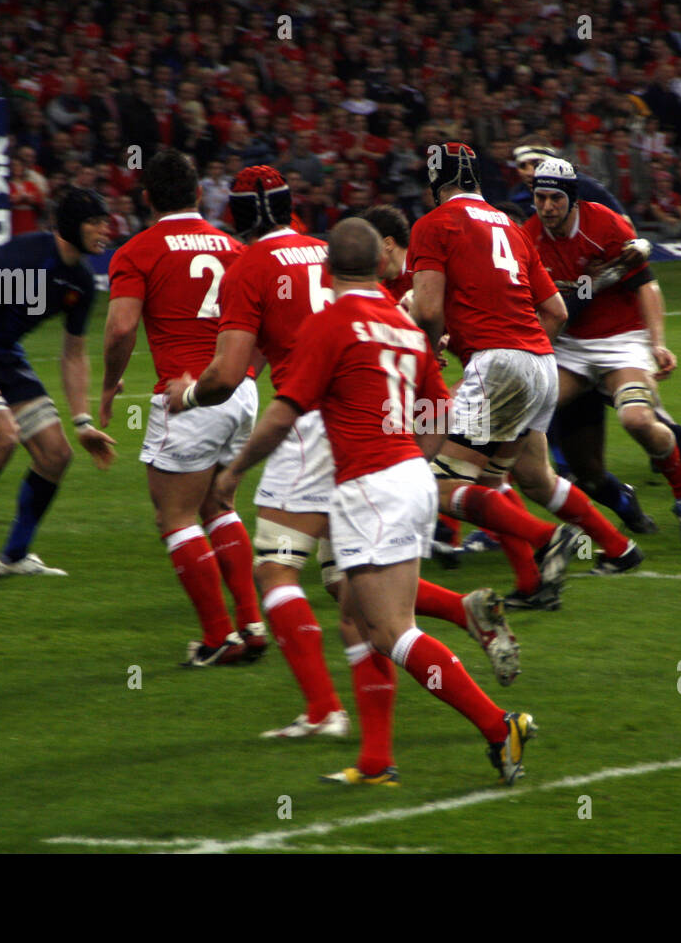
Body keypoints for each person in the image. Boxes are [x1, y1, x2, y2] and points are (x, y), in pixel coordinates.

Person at [167, 166, 517, 739]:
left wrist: (187, 398)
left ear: (237, 216)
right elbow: (428, 392)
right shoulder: (333, 257)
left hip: (311, 422)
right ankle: (448, 635)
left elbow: (232, 375)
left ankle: (324, 711)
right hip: (382, 438)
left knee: (278, 568)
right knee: (350, 590)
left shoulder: (251, 265)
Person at [214, 218, 535, 786]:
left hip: (371, 485)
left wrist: (236, 468)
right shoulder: (403, 324)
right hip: (408, 476)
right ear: (378, 266)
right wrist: (414, 458)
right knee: (356, 620)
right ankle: (375, 761)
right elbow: (438, 410)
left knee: (392, 631)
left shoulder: (329, 324)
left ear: (326, 268)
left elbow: (286, 411)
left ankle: (497, 724)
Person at [409, 143, 643, 612]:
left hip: (500, 364)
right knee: (525, 477)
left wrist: (431, 349)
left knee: (433, 485)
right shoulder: (511, 227)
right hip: (540, 363)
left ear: (437, 184)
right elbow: (554, 310)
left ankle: (546, 538)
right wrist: (520, 348)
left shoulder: (432, 226)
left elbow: (429, 309)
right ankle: (612, 550)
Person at [100, 148, 267, 666]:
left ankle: (219, 638)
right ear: (199, 193)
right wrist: (246, 374)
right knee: (218, 505)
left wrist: (109, 385)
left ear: (147, 199)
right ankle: (253, 623)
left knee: (174, 515)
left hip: (189, 394)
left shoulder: (137, 251)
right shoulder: (235, 248)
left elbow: (123, 326)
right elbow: (264, 324)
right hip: (239, 392)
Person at [522, 157, 681, 548]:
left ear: (571, 199)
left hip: (621, 341)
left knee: (638, 420)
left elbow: (646, 284)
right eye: (540, 198)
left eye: (554, 199)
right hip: (569, 348)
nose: (547, 207)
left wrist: (657, 342)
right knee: (522, 415)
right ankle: (508, 517)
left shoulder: (605, 223)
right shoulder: (530, 236)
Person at [0, 188, 117, 580]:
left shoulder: (81, 282)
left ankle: (14, 555)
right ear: (71, 226)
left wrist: (83, 422)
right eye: (96, 222)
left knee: (56, 455)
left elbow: (74, 354)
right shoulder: (27, 258)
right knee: (2, 435)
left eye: (106, 221)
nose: (107, 229)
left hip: (5, 357)